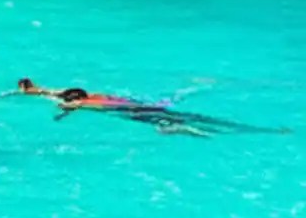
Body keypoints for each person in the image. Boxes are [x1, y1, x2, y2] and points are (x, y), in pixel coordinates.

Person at [55, 89, 288, 137]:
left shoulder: (88, 103)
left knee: (171, 127)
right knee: (204, 119)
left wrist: (65, 111)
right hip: (150, 107)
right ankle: (266, 130)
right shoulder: (99, 95)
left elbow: (81, 105)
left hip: (142, 113)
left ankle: (186, 131)